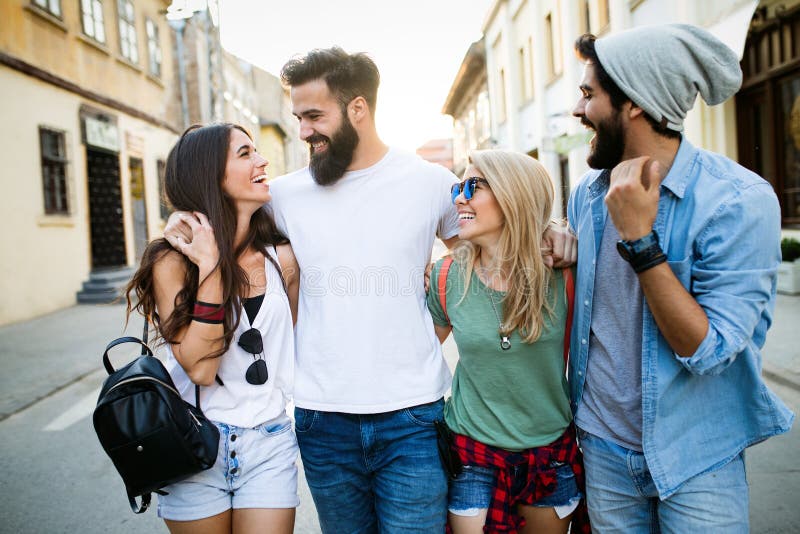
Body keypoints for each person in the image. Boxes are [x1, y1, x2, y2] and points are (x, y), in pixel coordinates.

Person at [165, 47, 575, 533]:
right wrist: (182, 218)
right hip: (323, 423)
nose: (303, 132)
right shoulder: (283, 196)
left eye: (314, 116)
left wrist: (550, 232)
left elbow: (492, 235)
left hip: (414, 422)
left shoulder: (430, 182)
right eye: (297, 117)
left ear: (357, 108)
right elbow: (223, 221)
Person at [567, 24, 794, 532]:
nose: (578, 110)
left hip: (699, 455)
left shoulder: (739, 201)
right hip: (603, 449)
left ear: (637, 104)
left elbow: (709, 351)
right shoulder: (585, 195)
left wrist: (641, 243)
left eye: (589, 94)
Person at [127, 123, 300, 534]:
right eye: (245, 154)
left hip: (269, 442)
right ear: (210, 176)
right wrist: (209, 265)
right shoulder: (172, 263)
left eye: (256, 151)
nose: (262, 161)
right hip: (193, 443)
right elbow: (200, 369)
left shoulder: (284, 259)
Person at [427, 150, 589, 534]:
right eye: (457, 187)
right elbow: (416, 358)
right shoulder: (447, 276)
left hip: (548, 454)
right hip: (472, 453)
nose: (459, 198)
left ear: (512, 195)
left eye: (473, 186)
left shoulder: (565, 275)